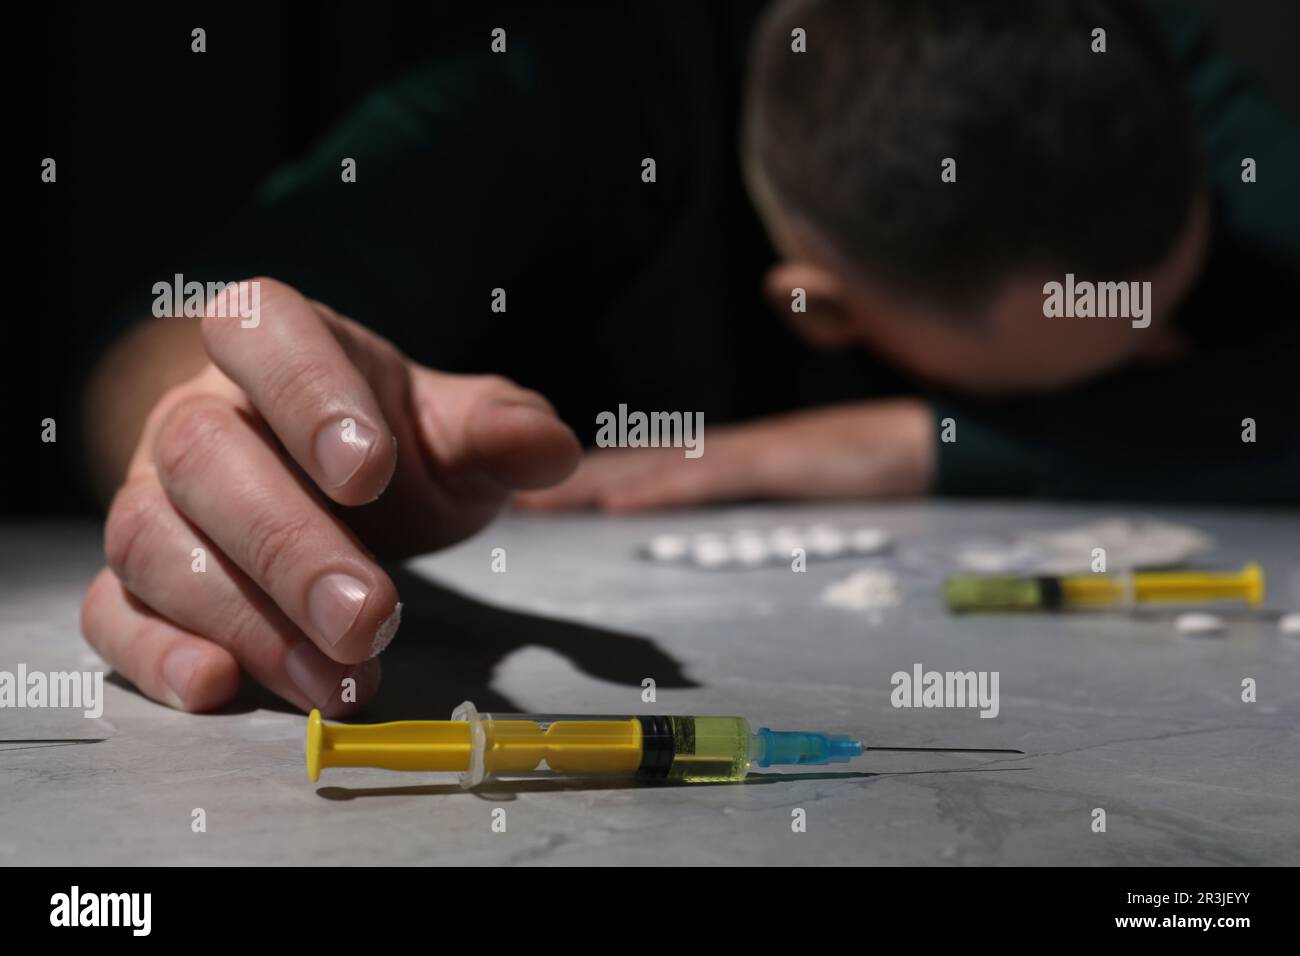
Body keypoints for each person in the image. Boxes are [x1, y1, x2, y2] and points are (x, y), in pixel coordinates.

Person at [78, 0, 1300, 714]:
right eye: (1117, 350)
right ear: (816, 310)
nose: (1176, 356)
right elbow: (186, 330)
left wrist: (894, 444)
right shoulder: (562, 92)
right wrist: (207, 426)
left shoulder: (1141, 67)